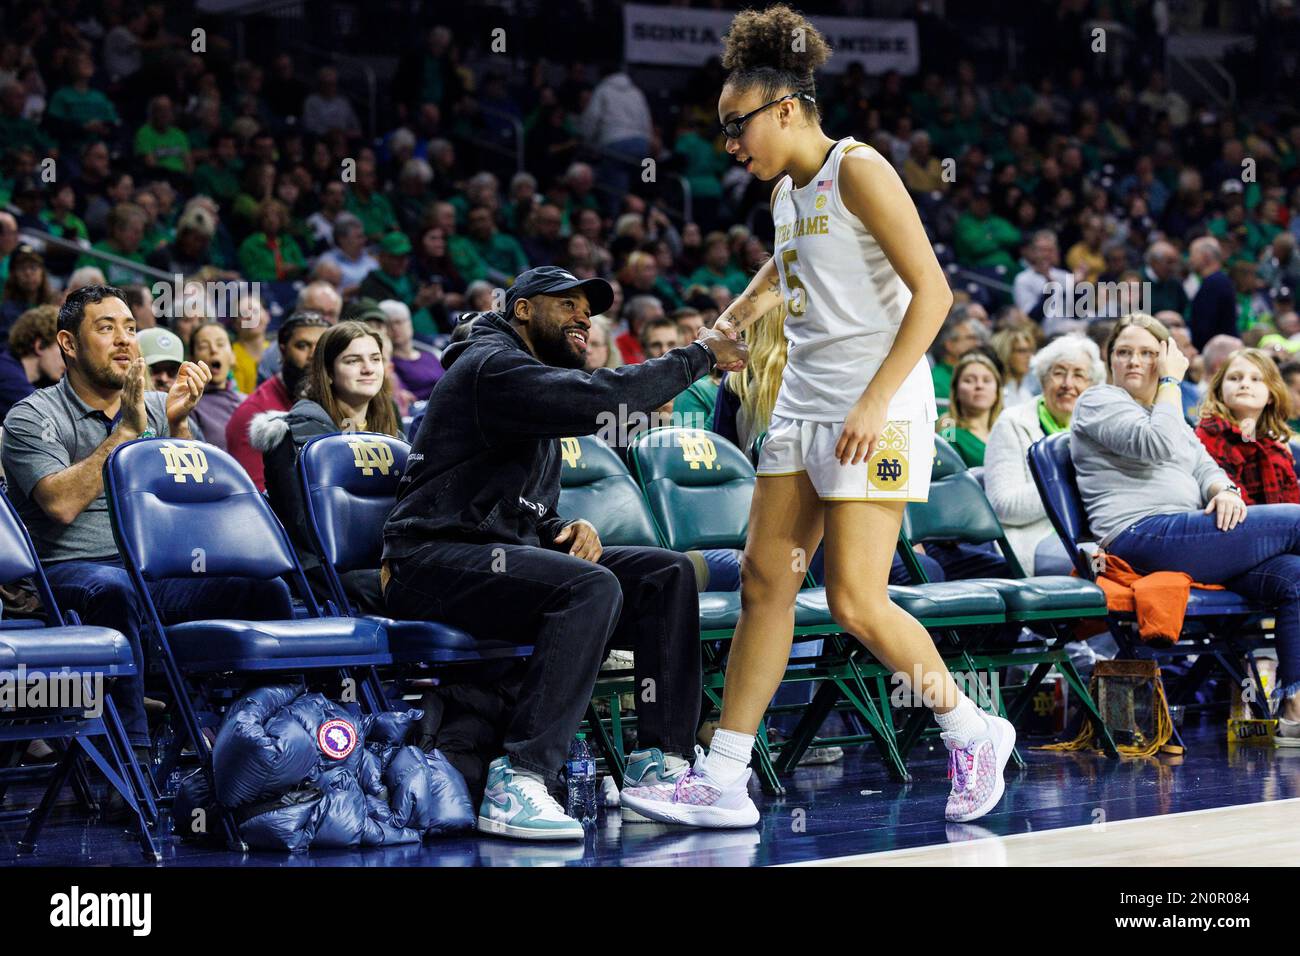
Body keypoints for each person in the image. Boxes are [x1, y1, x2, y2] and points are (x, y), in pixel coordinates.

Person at [621, 7, 1014, 830]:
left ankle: (974, 730)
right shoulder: (789, 194)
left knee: (855, 600)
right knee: (767, 580)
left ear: (786, 109)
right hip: (806, 397)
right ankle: (725, 777)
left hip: (881, 400)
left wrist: (874, 401)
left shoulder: (858, 167)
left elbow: (935, 294)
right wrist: (735, 313)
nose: (732, 146)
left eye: (739, 127)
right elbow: (784, 261)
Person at [381, 265, 748, 840]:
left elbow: (503, 497)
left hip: (496, 557)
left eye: (590, 310)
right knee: (589, 585)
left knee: (665, 573)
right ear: (523, 309)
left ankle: (661, 763)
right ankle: (519, 776)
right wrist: (697, 355)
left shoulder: (525, 380)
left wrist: (560, 525)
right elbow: (607, 396)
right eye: (568, 305)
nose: (584, 317)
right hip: (429, 561)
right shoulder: (492, 367)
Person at [0, 286, 294, 770]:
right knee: (115, 588)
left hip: (152, 573)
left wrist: (178, 427)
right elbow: (60, 504)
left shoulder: (158, 406)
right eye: (106, 328)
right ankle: (130, 758)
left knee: (265, 589)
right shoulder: (32, 416)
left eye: (131, 329)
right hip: (68, 575)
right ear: (68, 345)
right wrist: (128, 433)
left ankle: (273, 741)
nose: (124, 340)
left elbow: (195, 507)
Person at [1071, 312, 1300, 746]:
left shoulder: (1167, 409)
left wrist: (1226, 489)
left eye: (1147, 353)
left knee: (1294, 577)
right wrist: (1172, 383)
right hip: (1138, 535)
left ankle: (1293, 708)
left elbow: (1202, 464)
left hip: (1188, 538)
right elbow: (1160, 441)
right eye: (1124, 352)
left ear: (1164, 357)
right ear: (1110, 359)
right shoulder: (1099, 400)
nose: (1135, 361)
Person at [252, 321, 400, 612]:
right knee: (411, 590)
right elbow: (302, 529)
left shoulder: (393, 436)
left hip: (384, 562)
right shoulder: (294, 434)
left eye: (375, 359)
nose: (368, 369)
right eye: (353, 360)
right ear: (329, 373)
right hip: (321, 569)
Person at [984, 335, 1104, 574]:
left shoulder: (1098, 427)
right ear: (1042, 378)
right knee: (1099, 568)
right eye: (1059, 373)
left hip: (1097, 535)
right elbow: (1003, 506)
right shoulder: (1013, 423)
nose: (1068, 383)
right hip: (1036, 539)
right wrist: (1070, 483)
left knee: (1135, 562)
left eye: (1079, 375)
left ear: (1091, 386)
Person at [226, 311, 330, 490]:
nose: (314, 356)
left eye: (321, 348)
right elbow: (255, 497)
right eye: (303, 345)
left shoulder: (341, 402)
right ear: (282, 349)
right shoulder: (253, 412)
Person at [1195, 348, 1299, 505]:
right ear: (1220, 391)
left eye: (1256, 379)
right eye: (1234, 378)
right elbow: (1236, 502)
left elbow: (1293, 500)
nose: (1244, 384)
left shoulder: (1277, 444)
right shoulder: (1209, 434)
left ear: (1271, 395)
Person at [0, 305, 64, 423]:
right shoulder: (7, 374)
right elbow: (53, 419)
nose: (67, 362)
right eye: (62, 350)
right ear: (39, 346)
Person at [939, 351, 1004, 467]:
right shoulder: (949, 432)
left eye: (987, 380)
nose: (979, 385)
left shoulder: (1007, 430)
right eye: (969, 380)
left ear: (997, 392)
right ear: (956, 391)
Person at [187, 322, 245, 451]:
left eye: (220, 344)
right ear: (192, 359)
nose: (214, 350)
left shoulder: (248, 402)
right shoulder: (188, 407)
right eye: (203, 346)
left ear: (233, 357)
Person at [380, 300, 444, 401]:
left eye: (399, 322)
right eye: (388, 324)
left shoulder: (430, 355)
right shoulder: (388, 363)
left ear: (409, 323)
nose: (394, 328)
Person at [1188, 236, 1237, 351]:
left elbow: (1205, 327)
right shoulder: (1219, 280)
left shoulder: (1214, 284)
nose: (1190, 260)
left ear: (1205, 257)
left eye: (1193, 255)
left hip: (1217, 352)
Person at [929, 304, 986, 400]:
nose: (977, 344)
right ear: (950, 345)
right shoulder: (936, 381)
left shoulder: (980, 373)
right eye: (970, 338)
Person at [991, 325, 1039, 406]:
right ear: (1005, 354)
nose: (1029, 356)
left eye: (1030, 351)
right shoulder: (995, 394)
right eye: (1021, 351)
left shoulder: (1026, 394)